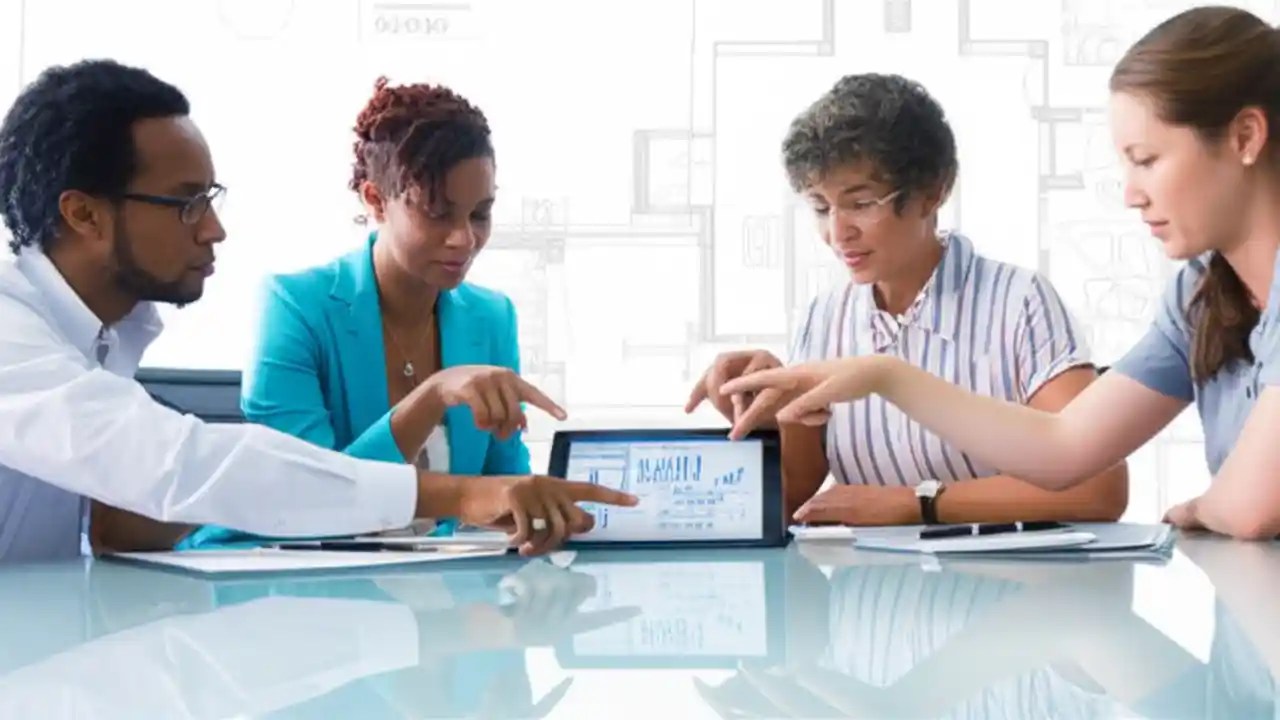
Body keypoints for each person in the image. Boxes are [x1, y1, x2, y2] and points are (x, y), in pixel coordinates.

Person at [0, 59, 636, 564]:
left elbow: (122, 517)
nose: (215, 229)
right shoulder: (11, 330)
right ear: (83, 214)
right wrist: (463, 493)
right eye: (186, 203)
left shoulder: (105, 342)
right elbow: (183, 466)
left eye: (210, 198)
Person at [720, 6, 1280, 541]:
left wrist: (1206, 505)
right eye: (820, 207)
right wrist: (883, 375)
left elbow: (1251, 508)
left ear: (1245, 137)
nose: (1131, 194)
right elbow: (1065, 449)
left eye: (1148, 159)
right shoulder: (1198, 297)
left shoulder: (1020, 299)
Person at [686, 73, 1127, 526]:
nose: (837, 234)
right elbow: (796, 494)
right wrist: (759, 415)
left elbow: (1097, 489)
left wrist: (915, 503)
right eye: (820, 207)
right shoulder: (824, 318)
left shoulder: (1020, 303)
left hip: (1010, 588)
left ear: (933, 191)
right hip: (870, 592)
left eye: (861, 204)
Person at [179, 78, 544, 549]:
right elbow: (311, 501)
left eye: (479, 214)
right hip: (288, 586)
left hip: (440, 593)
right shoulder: (295, 306)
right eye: (437, 212)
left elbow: (504, 486)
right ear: (375, 200)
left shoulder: (492, 317)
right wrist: (431, 396)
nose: (464, 239)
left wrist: (538, 513)